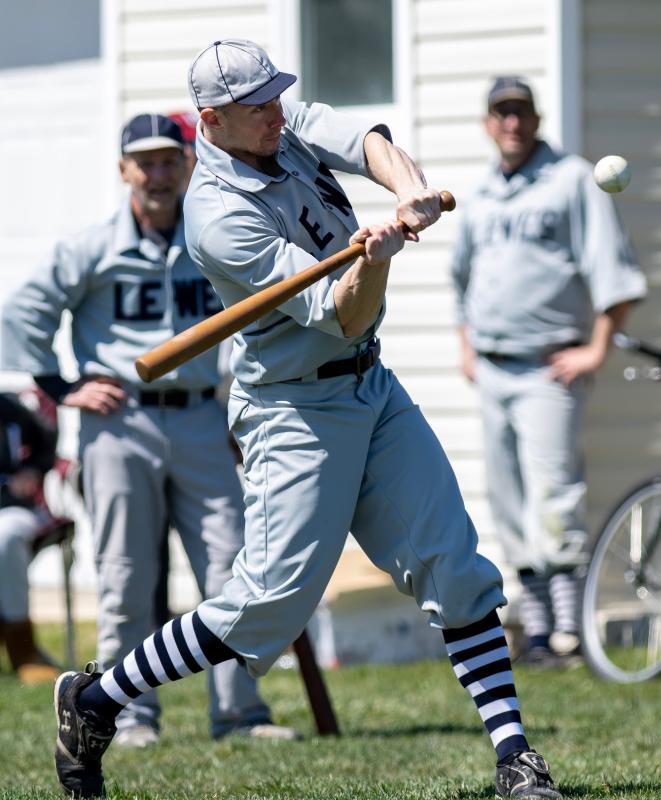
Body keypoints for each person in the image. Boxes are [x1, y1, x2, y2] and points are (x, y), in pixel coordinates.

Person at [47, 41, 563, 799]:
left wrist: (410, 192)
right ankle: (96, 699)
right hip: (294, 409)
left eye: (275, 95)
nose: (275, 112)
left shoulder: (280, 125)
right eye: (255, 105)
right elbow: (344, 314)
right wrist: (373, 261)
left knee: (453, 564)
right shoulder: (217, 217)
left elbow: (368, 142)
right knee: (266, 604)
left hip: (371, 388)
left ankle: (515, 756)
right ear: (211, 121)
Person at [0, 112, 297, 747]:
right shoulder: (93, 247)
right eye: (145, 163)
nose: (158, 175)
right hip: (119, 422)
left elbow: (262, 312)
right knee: (125, 575)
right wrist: (61, 387)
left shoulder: (212, 234)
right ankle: (127, 715)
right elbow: (22, 313)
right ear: (123, 170)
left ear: (188, 164)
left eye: (169, 161)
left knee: (232, 566)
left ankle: (239, 713)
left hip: (201, 415)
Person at [450, 77, 647, 667]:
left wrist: (595, 350)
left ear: (536, 119)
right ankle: (538, 633)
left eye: (521, 112)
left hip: (548, 369)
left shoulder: (571, 180)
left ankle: (570, 631)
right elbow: (461, 279)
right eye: (501, 113)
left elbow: (614, 271)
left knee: (556, 499)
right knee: (509, 503)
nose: (511, 123)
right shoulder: (482, 192)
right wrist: (466, 347)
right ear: (488, 124)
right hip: (494, 368)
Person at [0, 389, 62, 684]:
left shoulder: (10, 406)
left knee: (6, 536)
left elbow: (45, 440)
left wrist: (31, 470)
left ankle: (23, 650)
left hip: (9, 507)